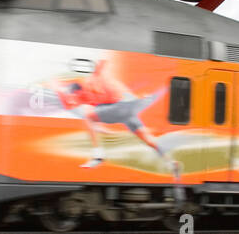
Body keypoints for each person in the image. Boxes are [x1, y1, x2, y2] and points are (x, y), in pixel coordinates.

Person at [50, 60, 178, 178]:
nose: (74, 100)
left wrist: (101, 62)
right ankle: (171, 162)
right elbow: (68, 97)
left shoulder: (92, 80)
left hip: (123, 105)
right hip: (128, 112)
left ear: (77, 91)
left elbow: (100, 66)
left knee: (89, 117)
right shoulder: (83, 99)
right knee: (149, 140)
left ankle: (98, 155)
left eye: (74, 96)